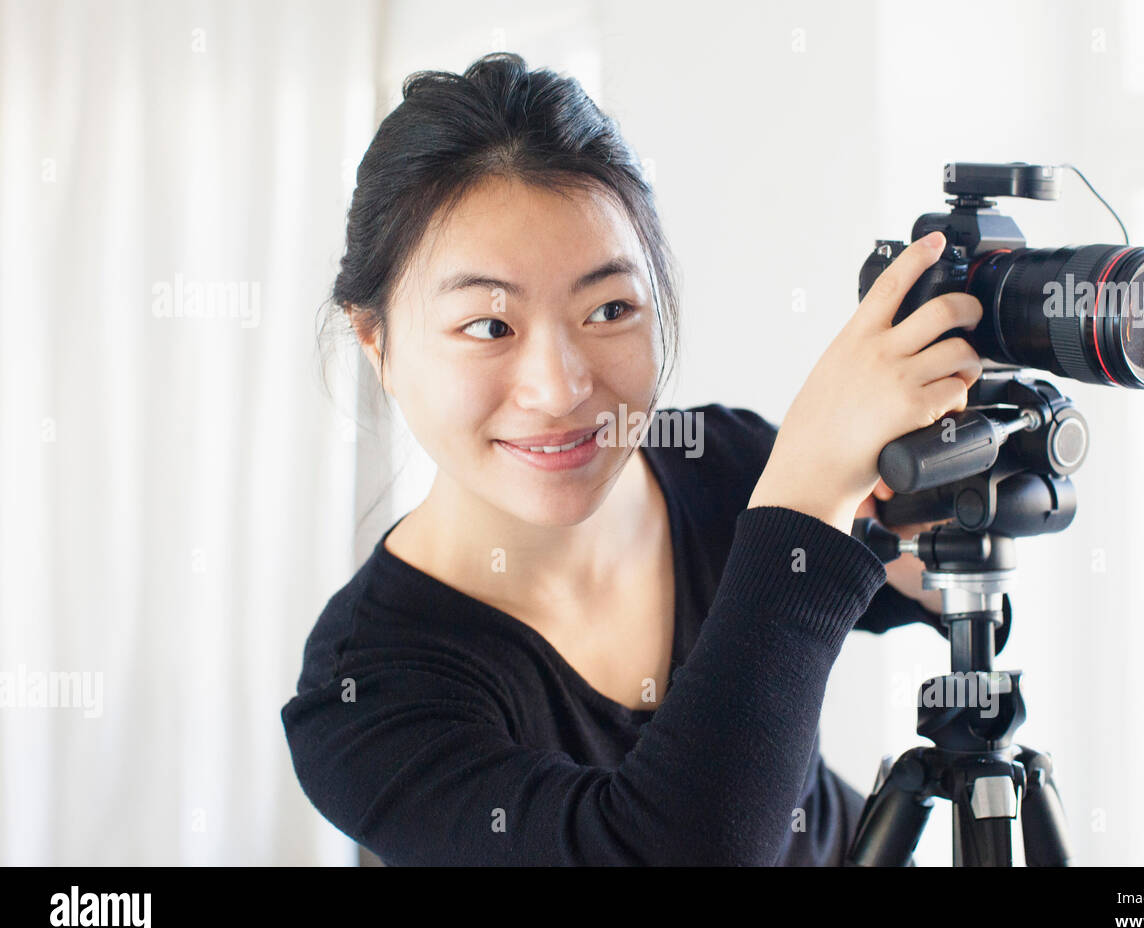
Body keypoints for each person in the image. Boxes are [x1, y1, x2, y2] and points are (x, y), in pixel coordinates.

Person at [281, 51, 1005, 866]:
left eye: (610, 308)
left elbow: (933, 582)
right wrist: (805, 493)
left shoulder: (728, 466)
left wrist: (958, 499)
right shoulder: (363, 696)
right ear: (374, 341)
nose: (560, 388)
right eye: (490, 326)